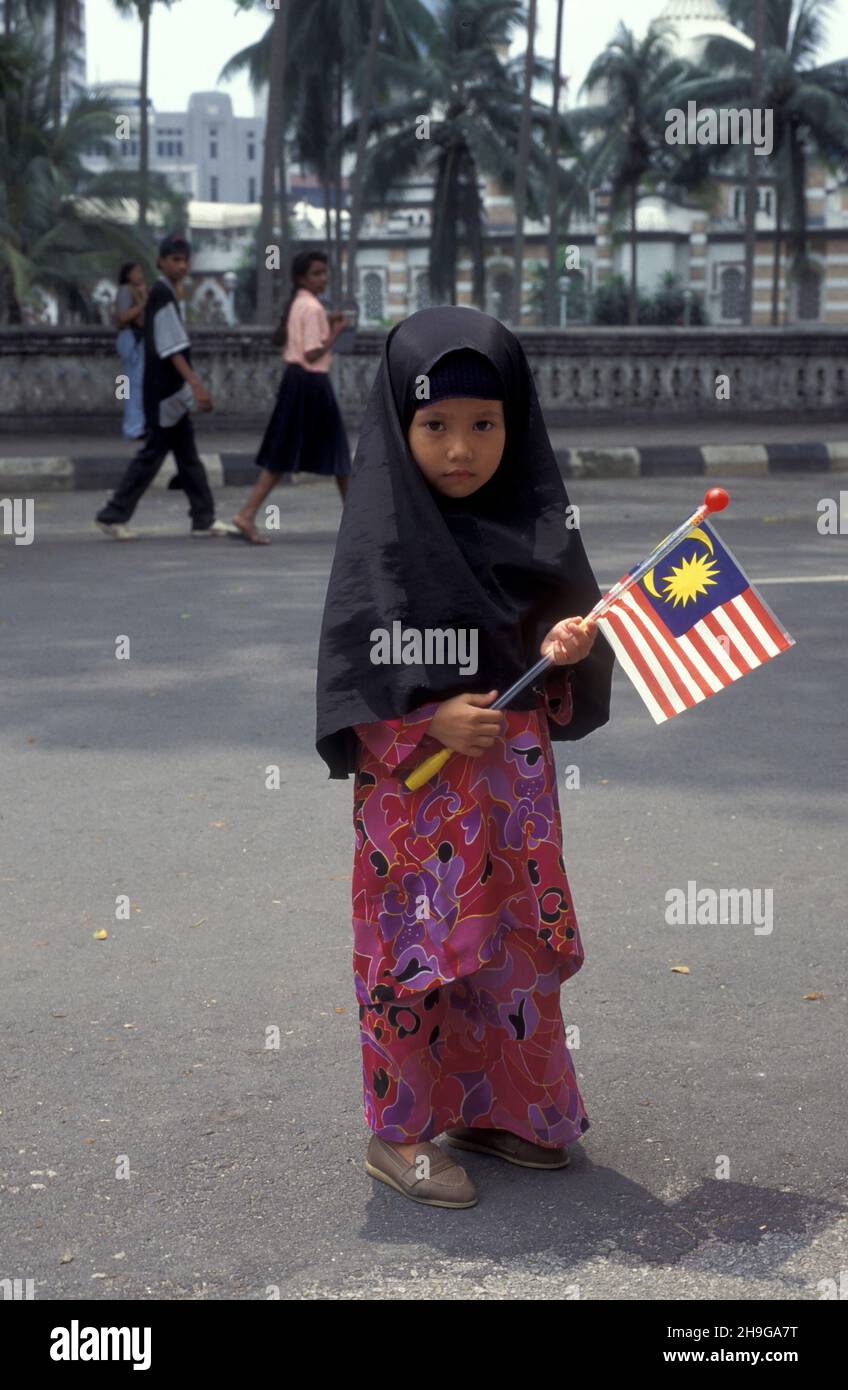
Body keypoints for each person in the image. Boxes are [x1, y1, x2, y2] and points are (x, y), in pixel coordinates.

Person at [315, 306, 615, 1209]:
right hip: (417, 806)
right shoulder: (384, 540)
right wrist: (427, 721)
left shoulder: (533, 526)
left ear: (513, 425)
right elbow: (352, 672)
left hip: (513, 800)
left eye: (485, 423)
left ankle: (505, 1110)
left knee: (513, 952)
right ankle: (399, 1131)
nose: (461, 447)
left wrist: (565, 651)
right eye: (435, 424)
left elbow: (560, 662)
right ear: (400, 427)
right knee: (417, 958)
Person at [95, 233, 238, 540]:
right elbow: (172, 348)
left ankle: (203, 517)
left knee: (186, 457)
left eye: (185, 260)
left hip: (169, 394)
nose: (181, 266)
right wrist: (197, 385)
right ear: (161, 262)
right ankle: (114, 514)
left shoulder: (167, 294)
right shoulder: (162, 295)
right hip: (165, 394)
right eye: (175, 260)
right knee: (154, 455)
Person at [231, 249, 351, 544]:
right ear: (301, 277)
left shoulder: (301, 303)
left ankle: (247, 513)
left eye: (324, 273)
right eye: (316, 273)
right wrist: (335, 331)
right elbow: (312, 352)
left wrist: (326, 320)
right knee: (337, 452)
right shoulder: (311, 308)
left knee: (287, 452)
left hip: (296, 380)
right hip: (311, 381)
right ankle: (357, 524)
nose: (323, 278)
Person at [114, 261, 147, 440]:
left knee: (137, 385)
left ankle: (137, 425)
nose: (139, 275)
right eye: (136, 272)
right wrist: (142, 304)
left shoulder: (136, 290)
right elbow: (122, 317)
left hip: (137, 340)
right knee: (131, 385)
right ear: (128, 275)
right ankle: (132, 427)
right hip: (129, 339)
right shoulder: (126, 290)